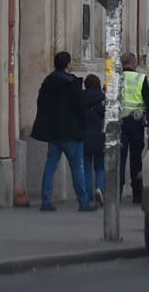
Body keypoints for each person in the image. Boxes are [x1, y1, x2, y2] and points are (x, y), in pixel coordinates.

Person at [30, 51, 97, 212]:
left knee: (50, 166)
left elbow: (41, 104)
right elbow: (81, 107)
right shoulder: (72, 84)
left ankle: (46, 200)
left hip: (54, 132)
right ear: (68, 65)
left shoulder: (48, 82)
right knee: (77, 167)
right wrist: (82, 124)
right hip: (71, 132)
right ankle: (83, 201)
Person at [120, 52, 149, 204]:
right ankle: (137, 193)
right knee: (136, 159)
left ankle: (117, 192)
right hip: (136, 124)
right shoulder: (141, 79)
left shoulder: (116, 79)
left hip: (118, 125)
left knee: (119, 159)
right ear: (134, 64)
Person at [82, 74, 106, 206]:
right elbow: (105, 114)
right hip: (99, 135)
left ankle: (88, 196)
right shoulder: (102, 97)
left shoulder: (81, 97)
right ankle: (99, 187)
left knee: (86, 167)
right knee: (100, 166)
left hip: (84, 136)